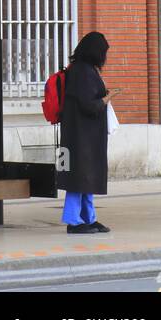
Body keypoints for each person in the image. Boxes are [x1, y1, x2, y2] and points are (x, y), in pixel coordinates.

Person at [56, 31, 116, 234]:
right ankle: (73, 221)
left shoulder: (84, 69)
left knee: (87, 178)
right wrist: (108, 98)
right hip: (79, 138)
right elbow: (89, 106)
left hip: (86, 137)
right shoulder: (82, 72)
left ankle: (89, 218)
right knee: (77, 178)